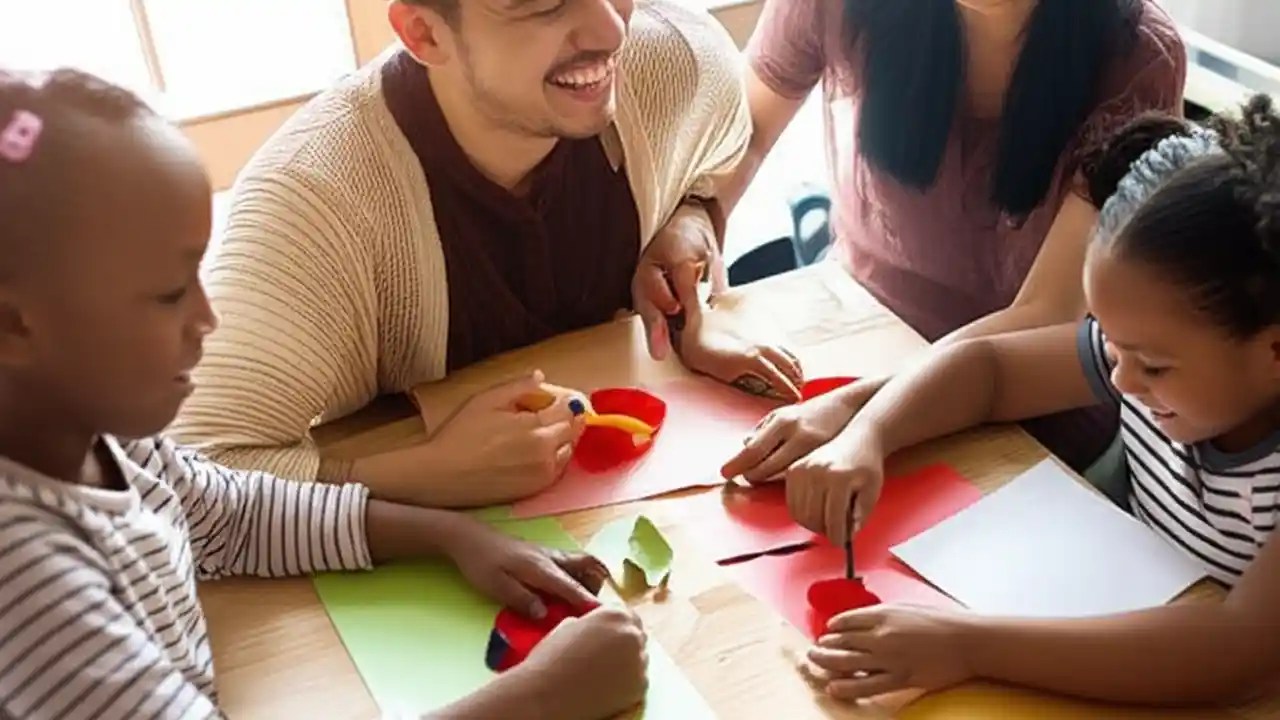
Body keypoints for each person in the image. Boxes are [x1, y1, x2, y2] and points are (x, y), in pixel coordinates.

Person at [0, 68, 647, 720]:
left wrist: (453, 537)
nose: (207, 318)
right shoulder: (26, 578)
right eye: (169, 295)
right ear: (14, 325)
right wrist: (545, 698)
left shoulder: (106, 437)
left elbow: (234, 516)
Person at [168, 0, 804, 507]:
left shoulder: (678, 64)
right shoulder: (312, 203)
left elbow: (720, 155)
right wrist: (420, 474)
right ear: (424, 34)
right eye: (539, 3)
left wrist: (691, 217)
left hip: (632, 512)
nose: (610, 28)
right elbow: (191, 477)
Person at [788, 95, 1280, 705]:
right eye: (1114, 346)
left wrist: (967, 646)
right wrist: (866, 428)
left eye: (1151, 365)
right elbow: (988, 371)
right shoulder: (1149, 349)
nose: (1120, 379)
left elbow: (1238, 650)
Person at [721, 0, 1186, 476]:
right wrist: (693, 222)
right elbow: (739, 138)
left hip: (1023, 413)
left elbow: (1046, 313)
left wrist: (859, 411)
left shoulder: (1138, 56)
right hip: (858, 338)